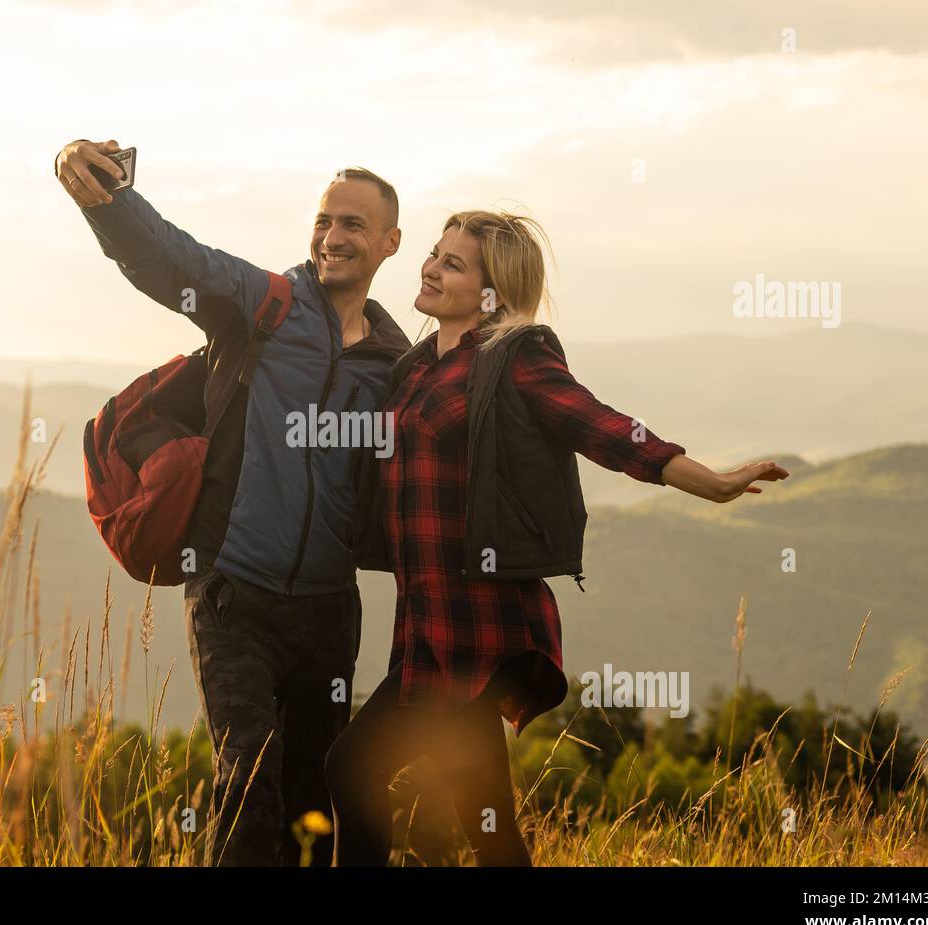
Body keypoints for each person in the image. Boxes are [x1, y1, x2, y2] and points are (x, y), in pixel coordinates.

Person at [326, 209, 789, 866]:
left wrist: (706, 481)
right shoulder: (413, 367)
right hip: (424, 625)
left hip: (478, 625)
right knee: (487, 825)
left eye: (452, 263)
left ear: (492, 292)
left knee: (354, 767)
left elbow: (599, 425)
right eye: (434, 253)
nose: (430, 266)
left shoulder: (513, 354)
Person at [56, 139, 411, 865]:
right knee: (248, 776)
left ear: (389, 244)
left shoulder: (393, 365)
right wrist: (109, 200)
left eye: (352, 225)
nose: (332, 237)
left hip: (328, 607)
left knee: (316, 794)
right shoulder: (267, 306)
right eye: (324, 220)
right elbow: (173, 260)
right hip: (232, 591)